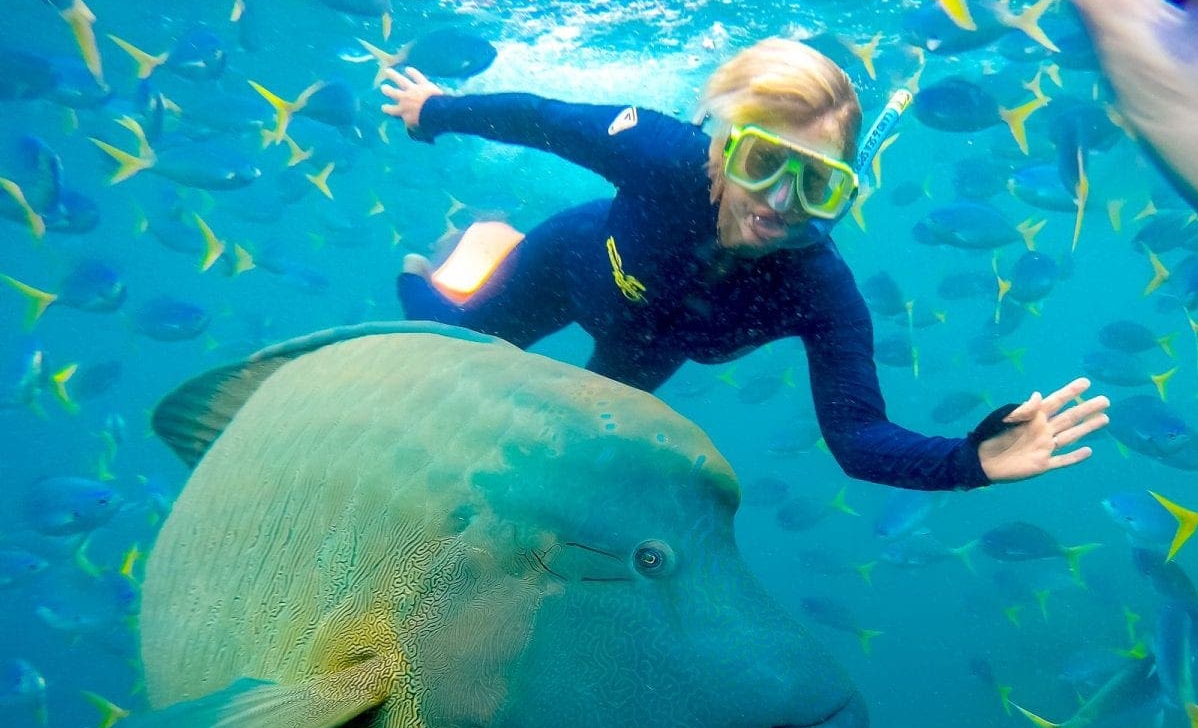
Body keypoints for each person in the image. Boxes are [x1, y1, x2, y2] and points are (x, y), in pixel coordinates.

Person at [379, 37, 1109, 492]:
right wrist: (433, 109)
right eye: (763, 163)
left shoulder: (820, 290)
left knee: (555, 455)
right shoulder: (662, 155)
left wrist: (968, 462)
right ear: (721, 148)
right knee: (447, 341)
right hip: (569, 262)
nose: (781, 202)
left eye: (817, 181)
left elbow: (857, 439)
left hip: (643, 350)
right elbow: (544, 117)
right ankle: (450, 257)